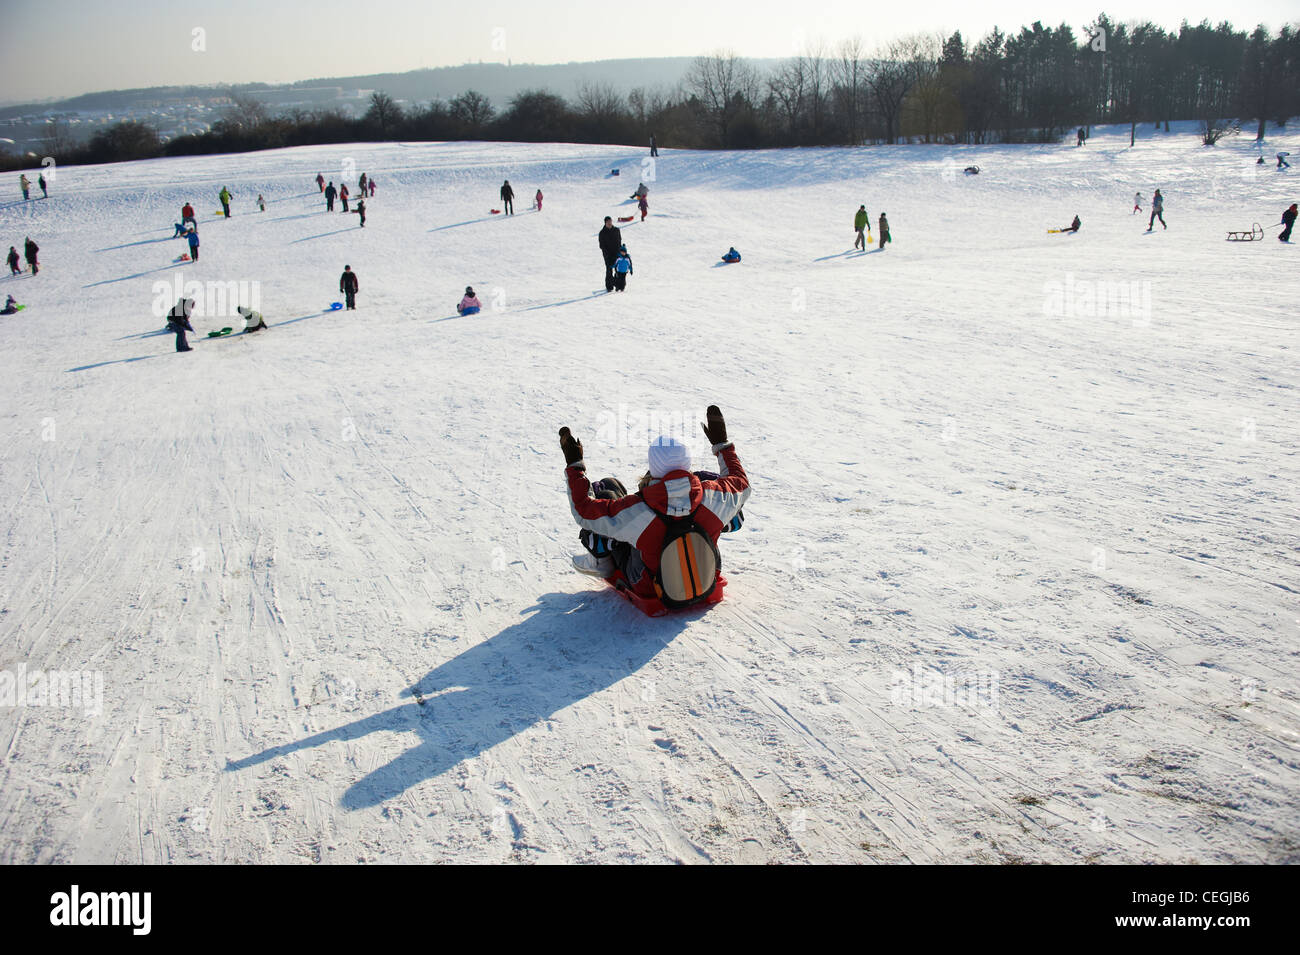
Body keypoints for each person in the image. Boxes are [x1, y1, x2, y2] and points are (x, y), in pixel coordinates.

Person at [559, 406, 750, 604]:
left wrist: (575, 467)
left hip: (652, 586)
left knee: (607, 495)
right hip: (707, 575)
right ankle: (725, 523)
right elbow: (740, 482)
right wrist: (722, 445)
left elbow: (583, 509)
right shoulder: (712, 496)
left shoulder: (638, 510)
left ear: (653, 467)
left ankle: (601, 561)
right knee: (717, 510)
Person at [599, 216, 623, 292]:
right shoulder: (602, 233)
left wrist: (620, 252)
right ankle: (609, 286)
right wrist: (606, 254)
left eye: (610, 222)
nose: (609, 223)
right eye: (608, 222)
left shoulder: (616, 230)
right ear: (605, 223)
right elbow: (602, 245)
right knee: (609, 270)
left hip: (617, 253)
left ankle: (618, 285)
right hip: (607, 255)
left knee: (618, 270)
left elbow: (619, 241)